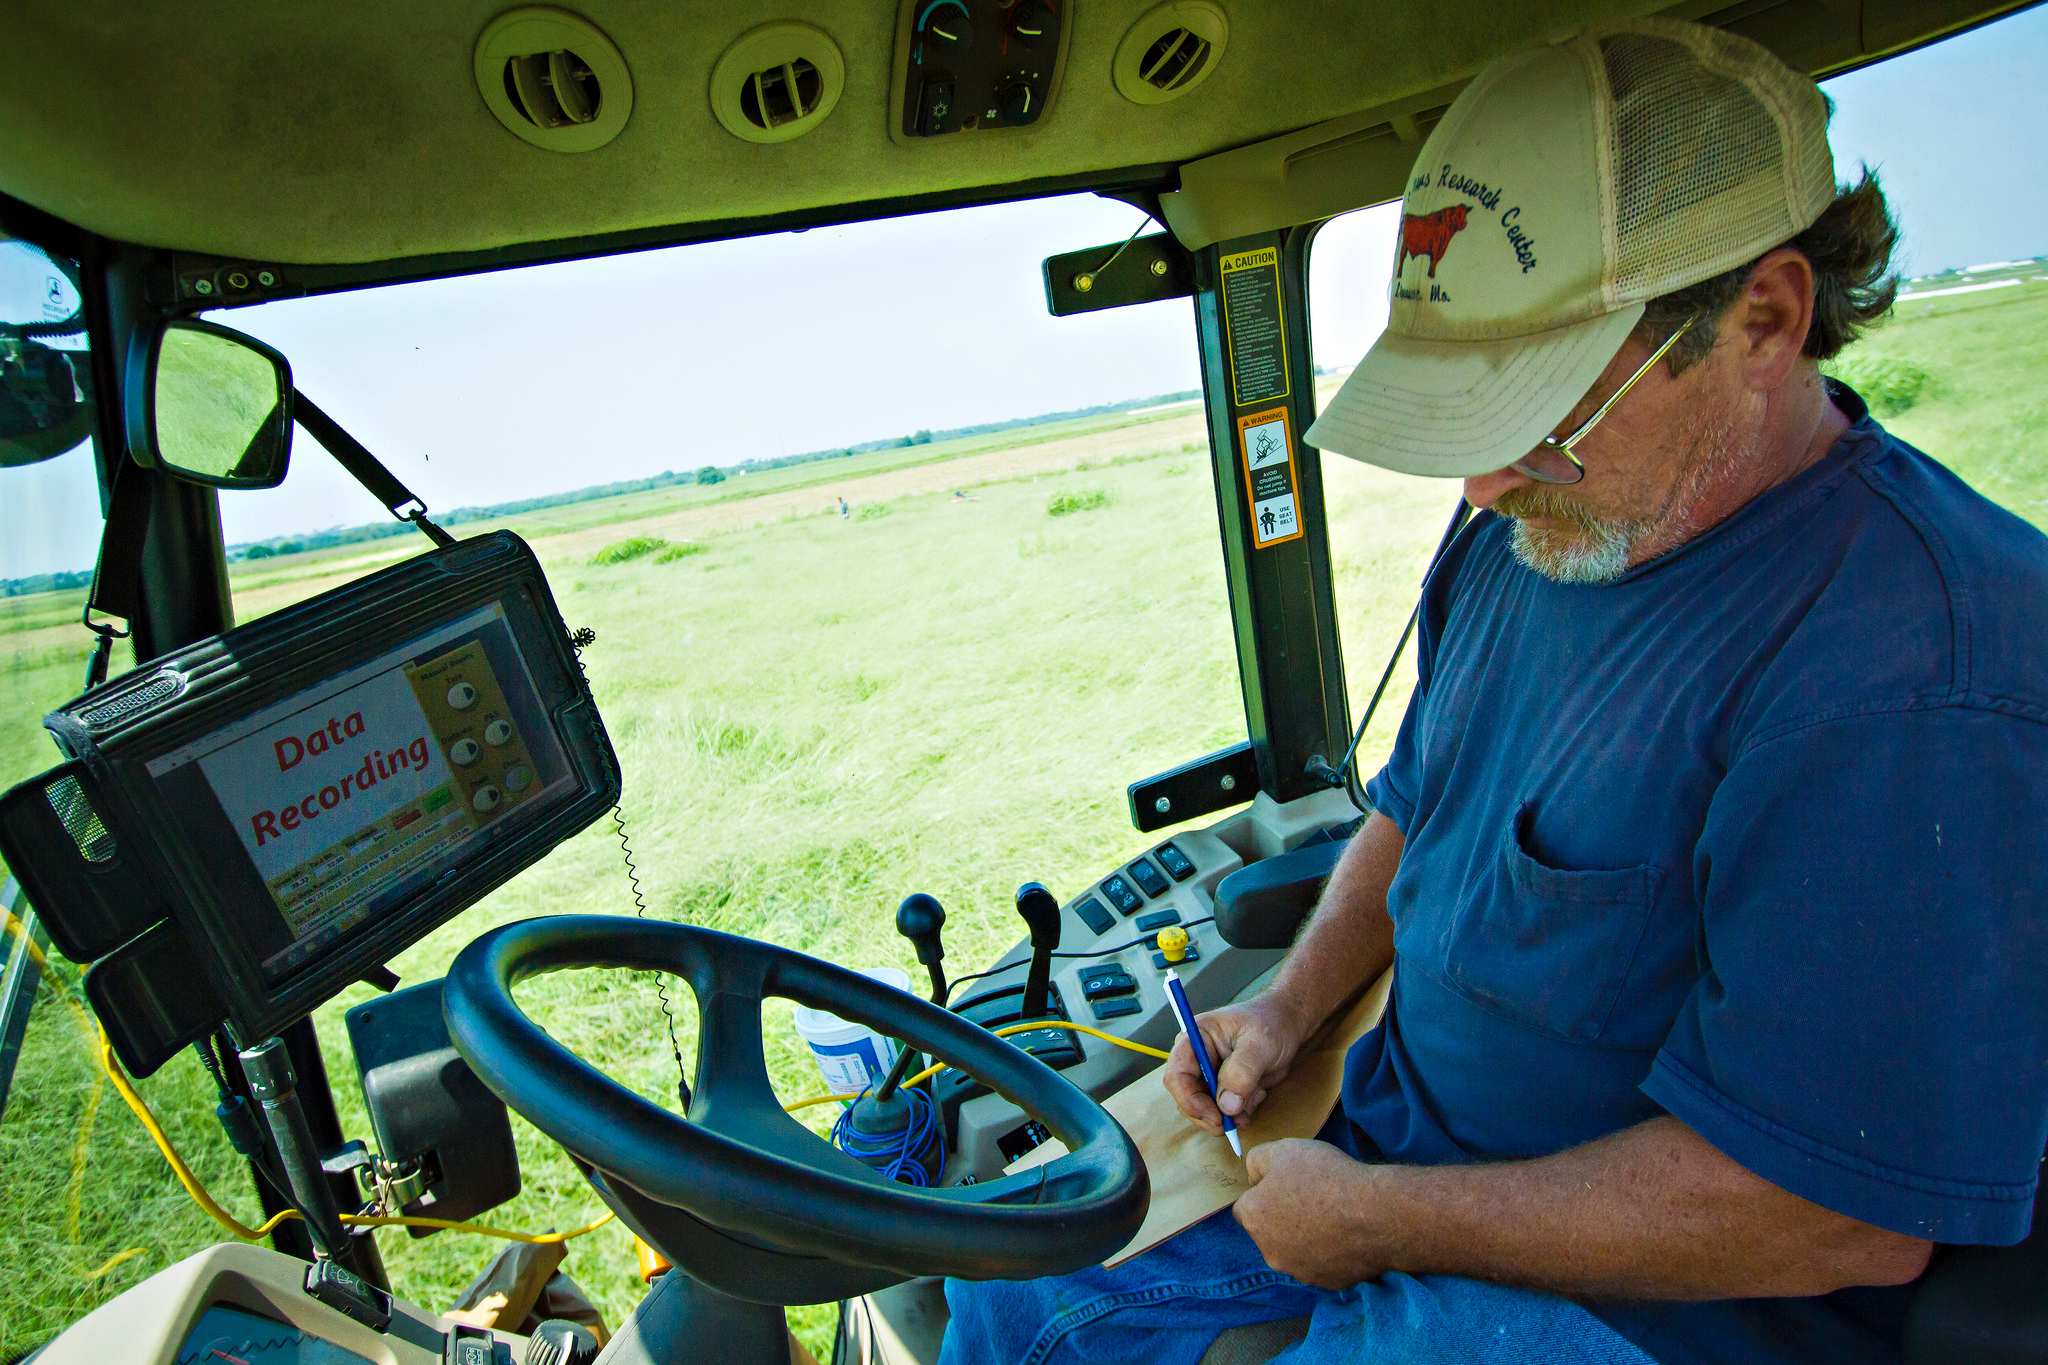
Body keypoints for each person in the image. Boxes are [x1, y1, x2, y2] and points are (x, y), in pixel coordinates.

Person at [942, 16, 2047, 1365]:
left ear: (1764, 319)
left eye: (1538, 410)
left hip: (1660, 1317)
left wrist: (1383, 1223)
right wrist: (1290, 1005)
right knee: (1003, 1278)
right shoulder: (1543, 530)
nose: (1479, 485)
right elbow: (1416, 809)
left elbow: (1826, 1215)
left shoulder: (1917, 675)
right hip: (1379, 1152)